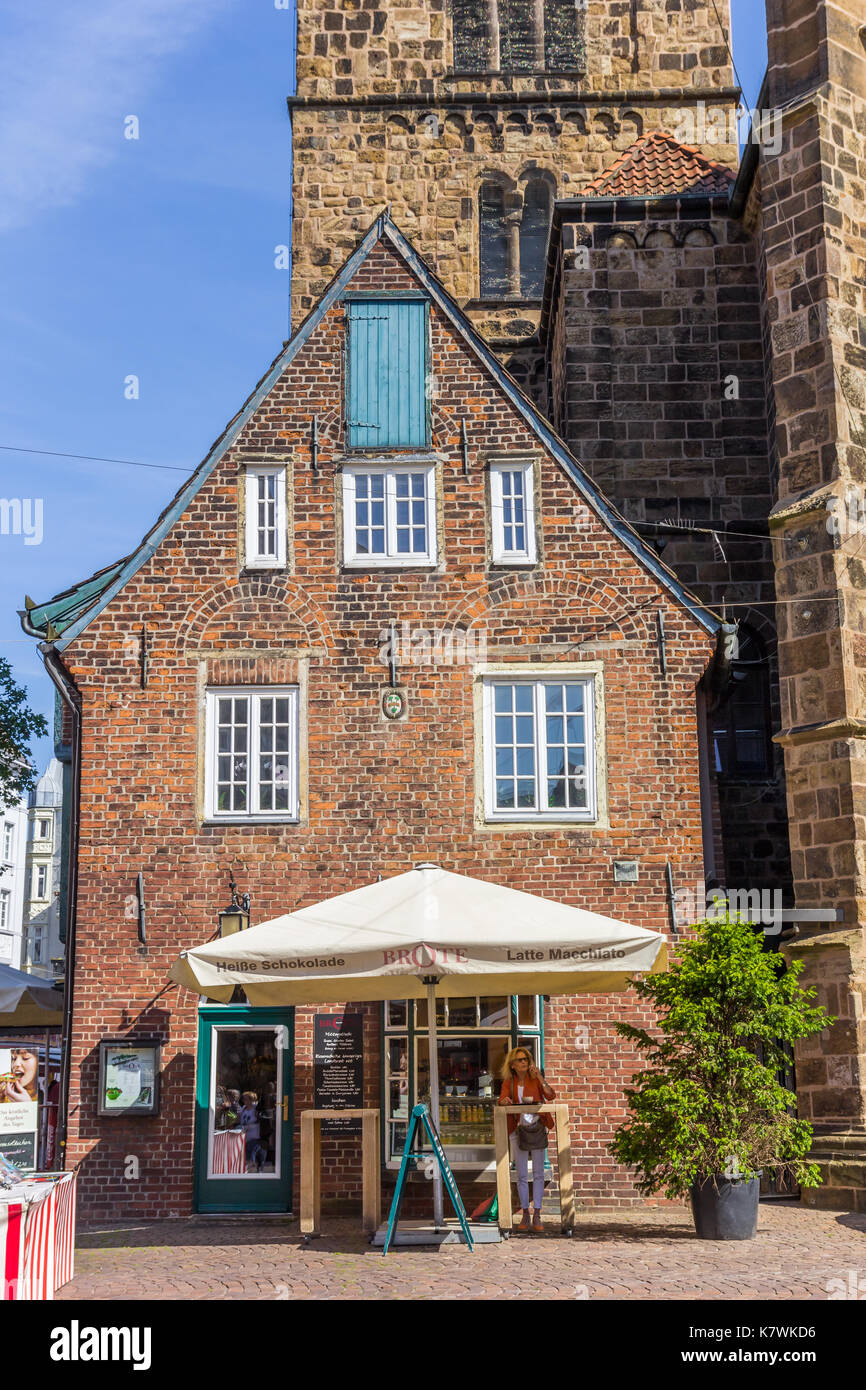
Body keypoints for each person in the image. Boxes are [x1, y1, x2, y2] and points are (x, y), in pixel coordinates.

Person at [498, 1047, 556, 1233]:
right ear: (513, 1065)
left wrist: (539, 1077)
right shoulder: (510, 1081)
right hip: (518, 1129)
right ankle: (525, 1212)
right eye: (520, 1060)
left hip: (537, 1128)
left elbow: (550, 1095)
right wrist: (505, 1101)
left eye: (527, 1059)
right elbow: (501, 1099)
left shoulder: (534, 1079)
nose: (525, 1062)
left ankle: (537, 1212)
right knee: (521, 1173)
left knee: (538, 1173)